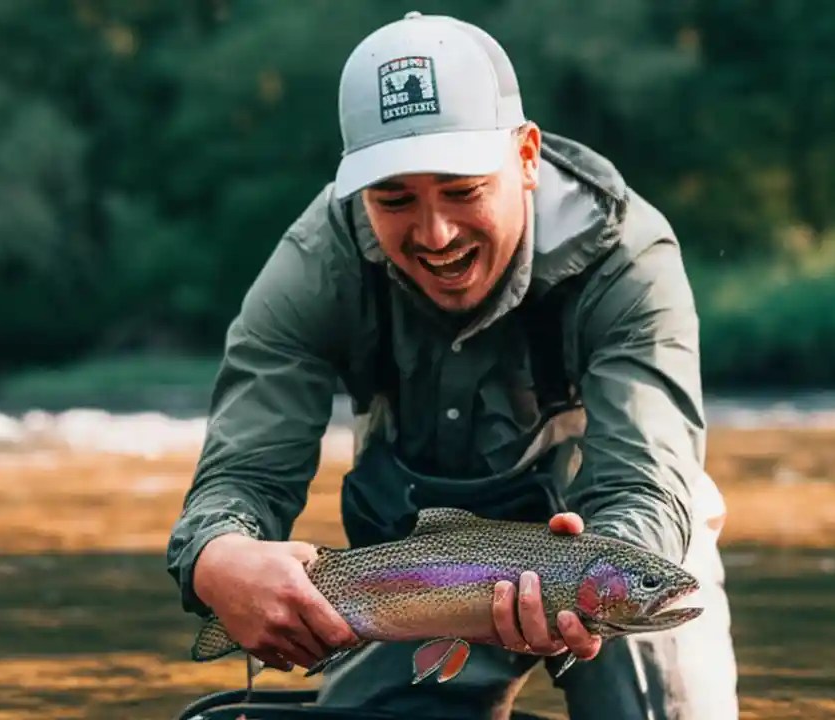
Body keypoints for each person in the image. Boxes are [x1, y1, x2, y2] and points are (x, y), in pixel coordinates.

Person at [167, 11, 738, 719]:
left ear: (526, 158)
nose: (434, 234)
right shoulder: (317, 264)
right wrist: (219, 557)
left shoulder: (625, 257)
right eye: (394, 199)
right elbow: (242, 477)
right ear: (354, 192)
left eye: (463, 190)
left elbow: (648, 482)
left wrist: (605, 568)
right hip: (419, 575)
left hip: (601, 541)